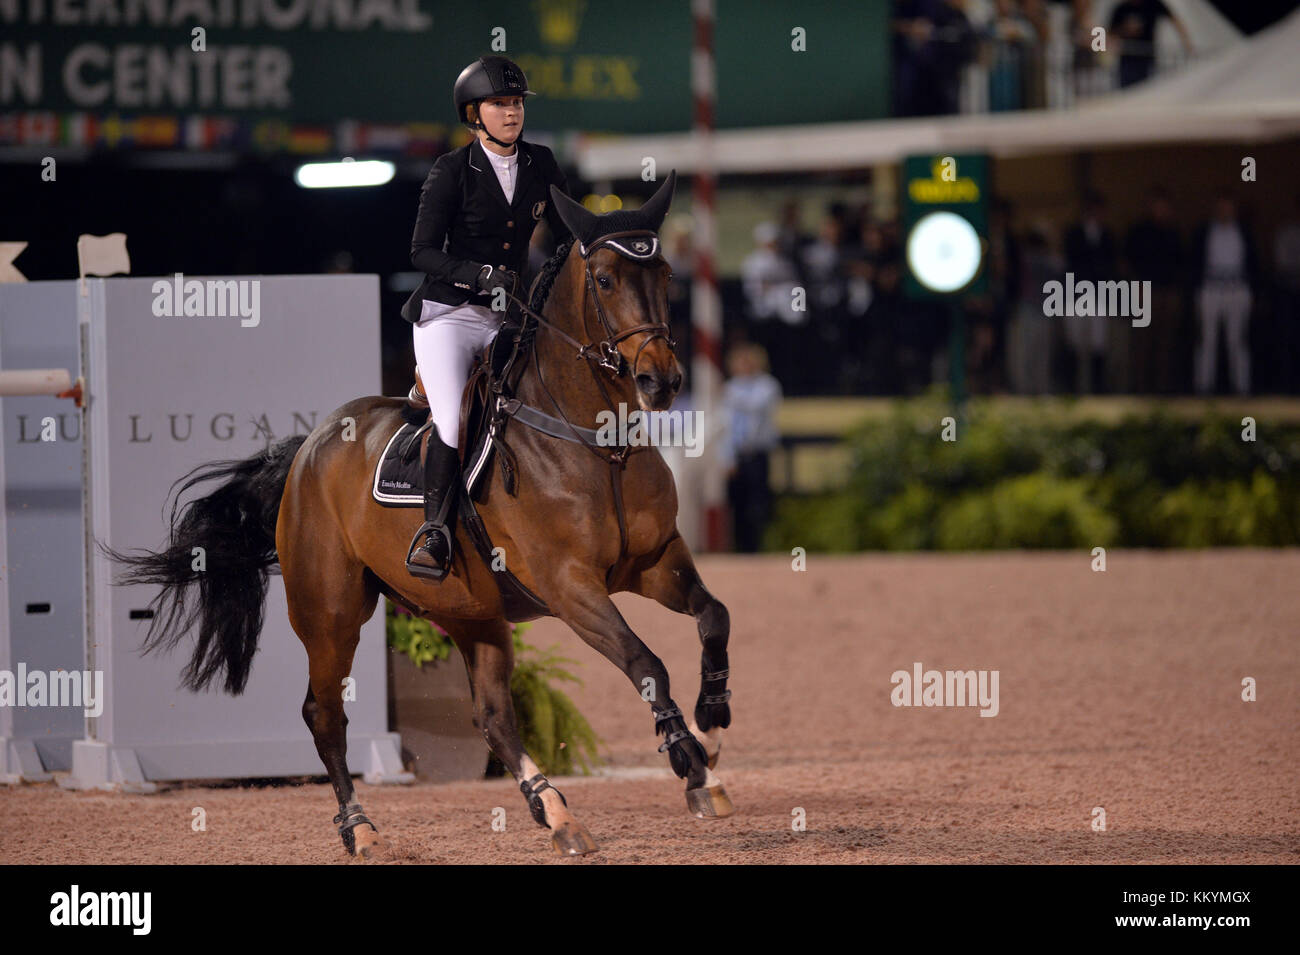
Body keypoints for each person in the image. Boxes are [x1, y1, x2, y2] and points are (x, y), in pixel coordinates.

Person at [399, 55, 573, 580]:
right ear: (474, 114)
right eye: (501, 104)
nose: (512, 112)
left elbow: (569, 233)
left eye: (517, 103)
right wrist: (477, 275)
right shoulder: (452, 170)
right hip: (450, 314)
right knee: (452, 420)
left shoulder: (542, 163)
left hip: (510, 316)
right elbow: (421, 252)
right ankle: (434, 531)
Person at [1193, 194, 1258, 395]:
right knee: (1207, 339)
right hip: (1210, 288)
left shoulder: (1244, 233)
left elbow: (1254, 263)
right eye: (1221, 207)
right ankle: (1203, 387)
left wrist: (1253, 291)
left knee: (1237, 339)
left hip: (1237, 289)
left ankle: (1242, 387)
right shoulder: (1205, 232)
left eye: (1228, 207)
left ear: (1234, 210)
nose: (1224, 211)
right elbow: (1194, 260)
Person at [721, 344, 782, 553]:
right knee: (737, 504)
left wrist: (732, 397)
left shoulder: (767, 385)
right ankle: (740, 548)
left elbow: (757, 405)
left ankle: (759, 547)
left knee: (758, 503)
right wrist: (727, 458)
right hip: (738, 454)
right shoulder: (731, 388)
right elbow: (726, 426)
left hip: (757, 452)